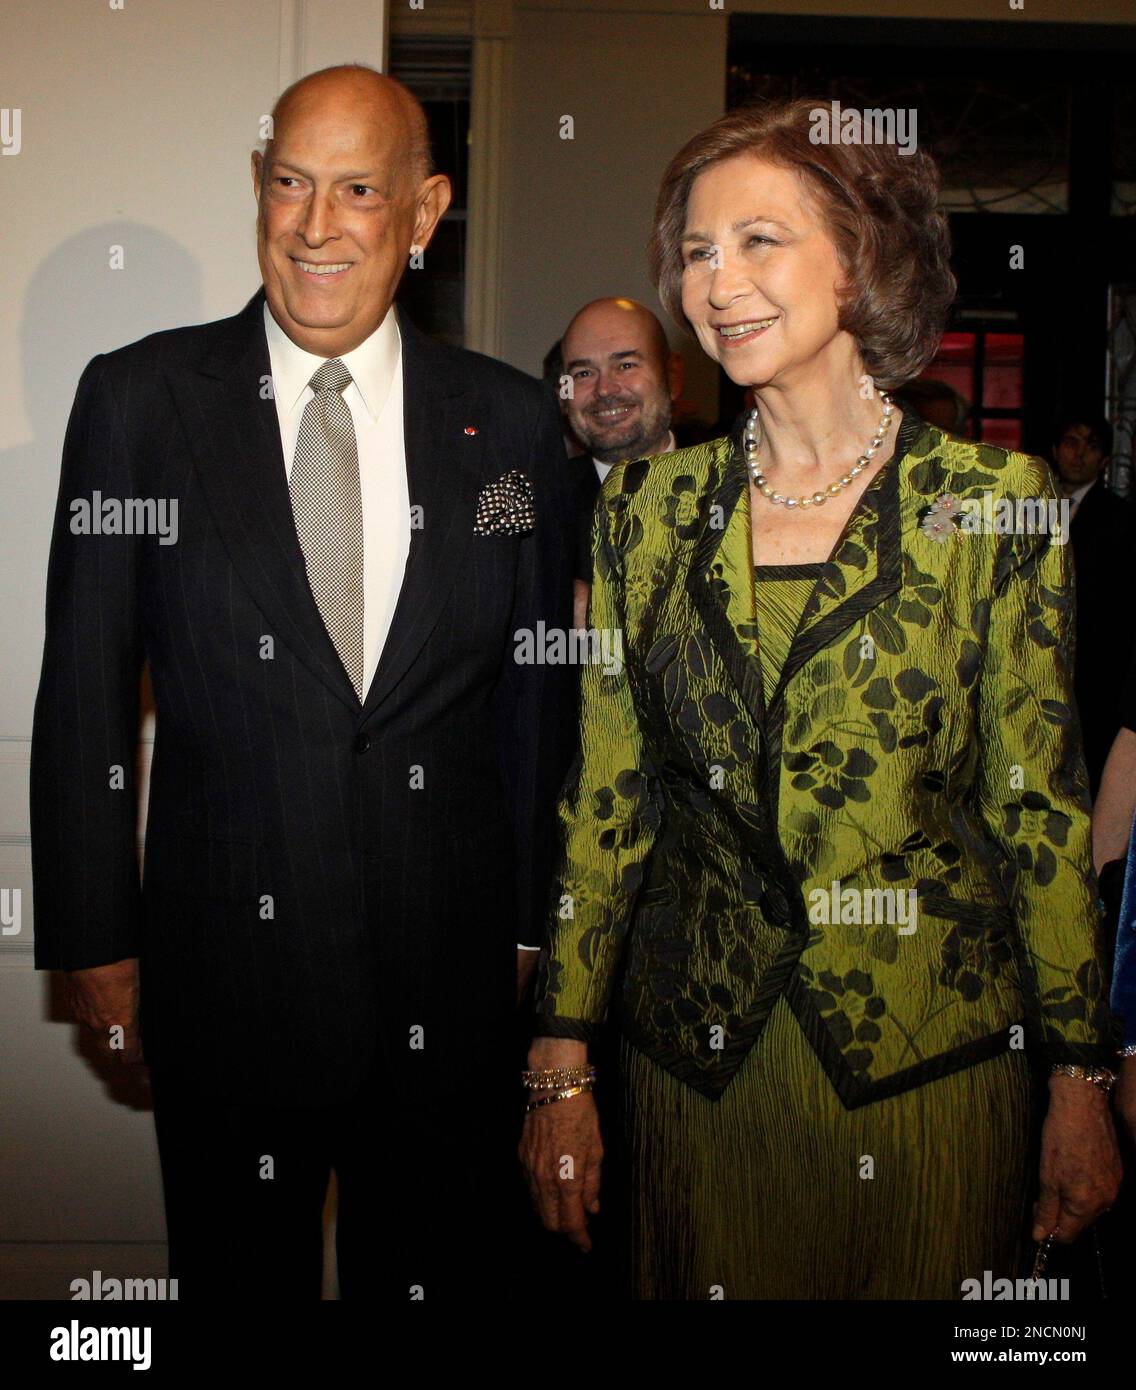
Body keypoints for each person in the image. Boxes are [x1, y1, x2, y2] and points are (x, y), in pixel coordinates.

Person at [521, 96, 1121, 1299]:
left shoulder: (990, 502)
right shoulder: (644, 511)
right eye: (694, 250)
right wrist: (559, 1057)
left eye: (757, 239)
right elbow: (606, 801)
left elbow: (1038, 816)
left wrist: (1080, 1075)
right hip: (699, 1065)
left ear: (859, 258)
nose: (714, 280)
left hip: (932, 1064)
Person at [30, 64, 575, 1299]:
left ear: (424, 215)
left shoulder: (511, 425)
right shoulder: (139, 401)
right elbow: (84, 686)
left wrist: (535, 924)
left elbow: (538, 697)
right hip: (223, 979)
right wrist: (94, 932)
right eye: (289, 184)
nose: (316, 225)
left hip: (451, 990)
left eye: (357, 191)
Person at [557, 298, 682, 628]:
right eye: (584, 373)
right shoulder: (539, 508)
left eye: (626, 365)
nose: (605, 389)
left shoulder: (736, 489)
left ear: (672, 376)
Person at [1051, 410, 1136, 796]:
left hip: (1097, 672)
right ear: (1056, 450)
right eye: (1072, 442)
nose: (1080, 453)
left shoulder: (1121, 520)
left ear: (1104, 461)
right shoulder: (1031, 507)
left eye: (1092, 445)